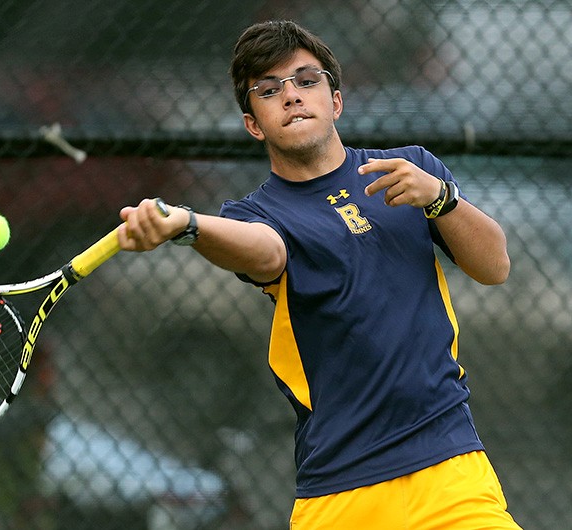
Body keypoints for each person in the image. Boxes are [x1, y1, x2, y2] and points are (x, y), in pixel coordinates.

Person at [117, 20, 519, 530]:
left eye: (307, 81)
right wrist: (189, 225)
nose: (291, 96)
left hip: (451, 470)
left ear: (336, 101)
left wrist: (442, 198)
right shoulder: (254, 215)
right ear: (253, 124)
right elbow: (265, 255)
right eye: (269, 90)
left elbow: (494, 267)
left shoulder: (410, 170)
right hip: (340, 490)